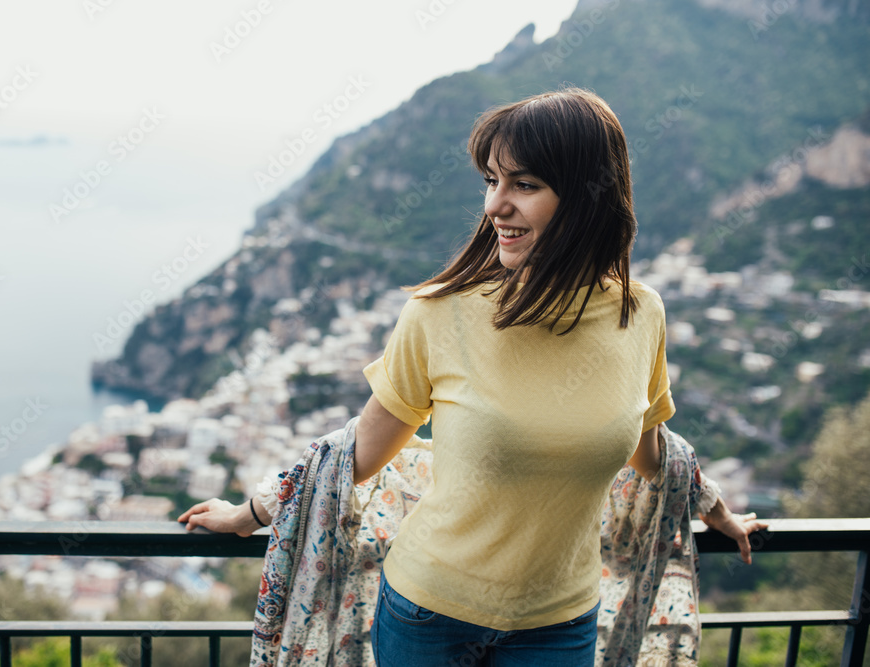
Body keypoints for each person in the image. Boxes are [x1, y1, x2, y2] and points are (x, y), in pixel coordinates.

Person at [179, 88, 766, 666]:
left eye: (524, 185)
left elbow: (651, 447)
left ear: (590, 196)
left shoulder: (639, 314)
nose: (495, 206)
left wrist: (718, 513)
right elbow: (357, 449)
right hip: (430, 616)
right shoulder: (440, 312)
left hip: (561, 624)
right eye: (491, 181)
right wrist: (248, 515)